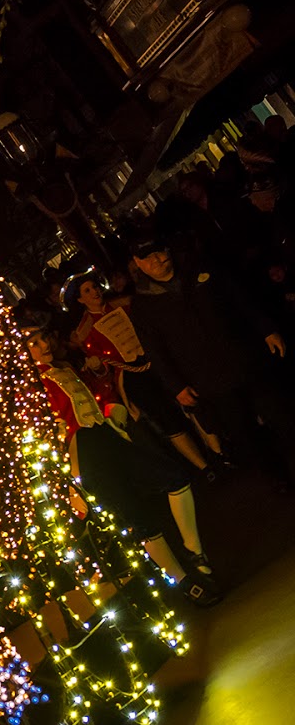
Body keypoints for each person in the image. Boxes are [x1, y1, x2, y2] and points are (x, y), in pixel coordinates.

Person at [21, 317, 220, 605]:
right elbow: (53, 433)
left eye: (43, 338)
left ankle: (195, 551)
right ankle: (183, 582)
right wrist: (72, 481)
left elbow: (98, 395)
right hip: (85, 454)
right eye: (33, 343)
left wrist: (109, 405)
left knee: (175, 478)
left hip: (106, 436)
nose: (43, 345)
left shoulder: (62, 367)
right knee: (138, 518)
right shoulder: (32, 388)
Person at [126, 232, 295, 487]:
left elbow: (240, 299)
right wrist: (177, 385)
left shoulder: (199, 269)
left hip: (246, 358)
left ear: (168, 250)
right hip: (209, 379)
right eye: (146, 257)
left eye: (158, 252)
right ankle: (278, 480)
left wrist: (267, 329)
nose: (156, 260)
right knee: (245, 433)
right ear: (138, 263)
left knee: (282, 414)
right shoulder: (142, 304)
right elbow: (154, 348)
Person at [64, 270, 220, 474]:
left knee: (191, 403)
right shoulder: (84, 331)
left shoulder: (126, 304)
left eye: (94, 286)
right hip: (133, 378)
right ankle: (204, 467)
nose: (94, 291)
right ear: (80, 299)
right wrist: (98, 368)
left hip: (157, 363)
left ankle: (219, 453)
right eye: (87, 290)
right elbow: (103, 371)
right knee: (167, 420)